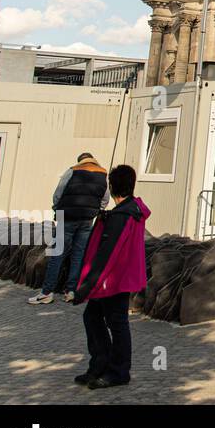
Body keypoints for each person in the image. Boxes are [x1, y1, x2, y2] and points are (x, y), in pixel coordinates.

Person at [71, 165, 150, 389]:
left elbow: (107, 253)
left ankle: (118, 371)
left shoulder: (123, 215)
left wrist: (86, 286)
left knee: (116, 324)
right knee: (94, 318)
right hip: (116, 278)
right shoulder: (132, 209)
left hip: (113, 280)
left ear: (112, 187)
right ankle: (101, 364)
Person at [30, 152, 108, 305]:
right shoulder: (102, 174)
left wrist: (56, 209)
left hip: (67, 217)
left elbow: (58, 194)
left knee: (57, 254)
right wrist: (95, 210)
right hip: (87, 220)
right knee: (78, 255)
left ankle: (47, 292)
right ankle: (71, 291)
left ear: (80, 161)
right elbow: (105, 199)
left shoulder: (72, 170)